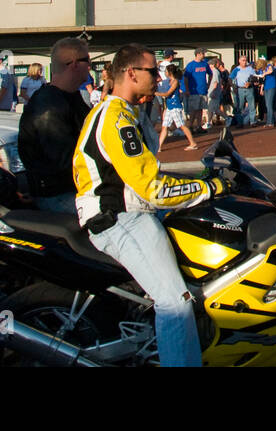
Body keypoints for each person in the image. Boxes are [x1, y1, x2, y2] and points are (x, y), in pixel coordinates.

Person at [73, 43, 233, 367]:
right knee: (175, 301)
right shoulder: (116, 118)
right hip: (119, 218)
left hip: (132, 211)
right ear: (131, 73)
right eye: (152, 71)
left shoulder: (126, 112)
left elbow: (149, 172)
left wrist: (202, 178)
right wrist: (208, 187)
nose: (158, 77)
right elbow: (153, 188)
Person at [17, 37, 94, 213]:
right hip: (57, 195)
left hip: (73, 189)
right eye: (87, 60)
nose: (89, 65)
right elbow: (66, 161)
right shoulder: (48, 106)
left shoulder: (71, 97)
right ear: (74, 64)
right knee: (121, 216)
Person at [156, 64, 196, 150]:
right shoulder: (168, 81)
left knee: (181, 125)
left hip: (175, 106)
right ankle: (159, 146)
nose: (165, 73)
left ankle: (193, 143)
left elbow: (167, 93)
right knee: (165, 126)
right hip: (169, 107)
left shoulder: (175, 81)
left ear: (170, 72)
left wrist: (155, 93)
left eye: (166, 71)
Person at [182, 48, 212, 132]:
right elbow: (186, 78)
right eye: (203, 53)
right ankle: (190, 126)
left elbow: (210, 74)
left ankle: (199, 126)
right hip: (194, 91)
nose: (204, 55)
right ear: (198, 54)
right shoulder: (191, 65)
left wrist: (208, 84)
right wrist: (187, 89)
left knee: (200, 109)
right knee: (193, 110)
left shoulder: (205, 64)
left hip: (203, 90)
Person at [260, 56, 276, 127]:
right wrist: (261, 89)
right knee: (268, 105)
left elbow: (271, 71)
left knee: (269, 104)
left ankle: (270, 122)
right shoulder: (263, 69)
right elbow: (263, 80)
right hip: (266, 87)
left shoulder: (269, 66)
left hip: (271, 87)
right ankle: (271, 121)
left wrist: (265, 73)